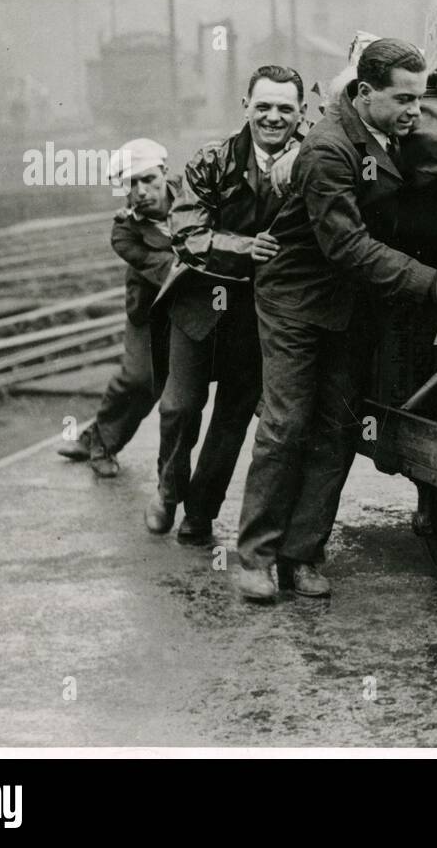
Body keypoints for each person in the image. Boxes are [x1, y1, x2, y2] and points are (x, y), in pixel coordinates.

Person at [233, 40, 437, 601]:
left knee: (338, 429)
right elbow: (348, 247)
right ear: (364, 94)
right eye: (404, 99)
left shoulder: (384, 130)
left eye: (420, 98)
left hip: (352, 305)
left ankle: (302, 554)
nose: (416, 110)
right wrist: (435, 284)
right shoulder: (328, 150)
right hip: (297, 301)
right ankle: (255, 558)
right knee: (287, 426)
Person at [146, 66, 305, 545]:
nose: (273, 117)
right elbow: (187, 233)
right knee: (180, 406)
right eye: (263, 107)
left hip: (261, 313)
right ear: (245, 107)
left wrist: (301, 159)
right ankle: (168, 491)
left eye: (285, 109)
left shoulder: (312, 160)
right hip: (199, 302)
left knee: (232, 419)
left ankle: (199, 514)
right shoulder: (211, 160)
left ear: (301, 113)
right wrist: (243, 248)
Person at [56, 138, 174, 477]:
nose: (140, 191)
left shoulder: (193, 196)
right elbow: (165, 266)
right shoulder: (124, 229)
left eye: (148, 179)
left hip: (194, 309)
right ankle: (100, 446)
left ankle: (95, 438)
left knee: (164, 388)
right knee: (138, 377)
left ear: (165, 173)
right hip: (150, 312)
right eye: (131, 183)